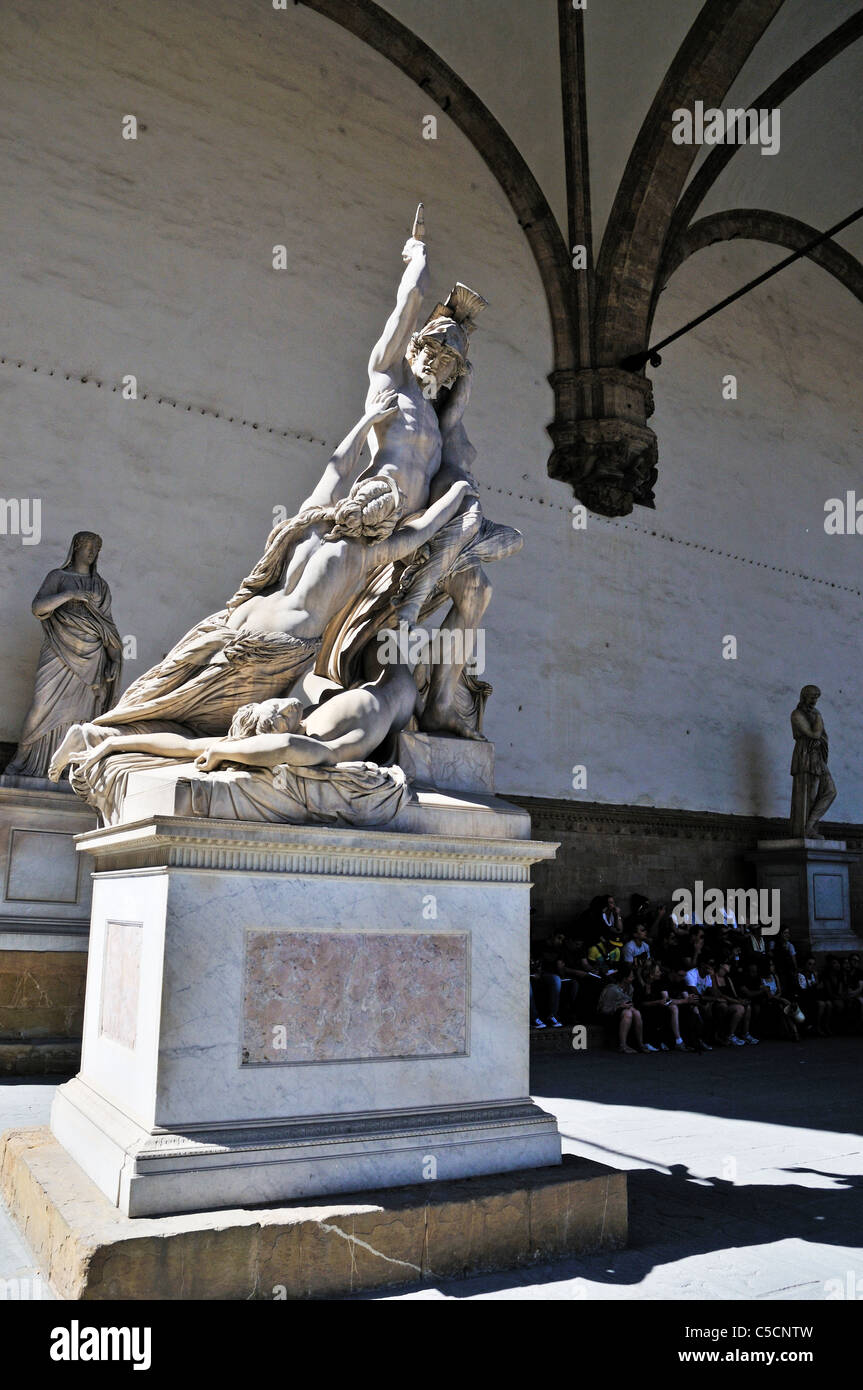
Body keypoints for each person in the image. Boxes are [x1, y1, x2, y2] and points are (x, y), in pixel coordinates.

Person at [49, 397, 476, 779]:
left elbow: (337, 468)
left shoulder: (312, 520)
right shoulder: (367, 552)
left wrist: (365, 423)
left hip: (230, 624)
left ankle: (101, 734)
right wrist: (457, 491)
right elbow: (426, 528)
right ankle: (102, 738)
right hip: (273, 649)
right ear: (382, 523)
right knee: (200, 723)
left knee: (160, 693)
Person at [7, 532, 122, 778]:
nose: (92, 552)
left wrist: (114, 658)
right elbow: (38, 608)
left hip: (92, 659)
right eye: (88, 546)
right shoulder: (57, 577)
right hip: (58, 652)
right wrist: (69, 595)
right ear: (76, 548)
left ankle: (70, 768)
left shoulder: (100, 586)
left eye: (96, 548)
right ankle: (22, 760)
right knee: (41, 705)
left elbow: (107, 626)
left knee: (83, 716)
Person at [597, 964, 655, 1054]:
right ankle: (623, 1045)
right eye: (631, 977)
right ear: (624, 978)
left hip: (623, 1014)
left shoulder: (630, 988)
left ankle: (640, 1044)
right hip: (609, 1015)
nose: (633, 978)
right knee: (628, 1013)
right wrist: (619, 1006)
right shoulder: (612, 990)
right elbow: (604, 1009)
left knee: (636, 1013)